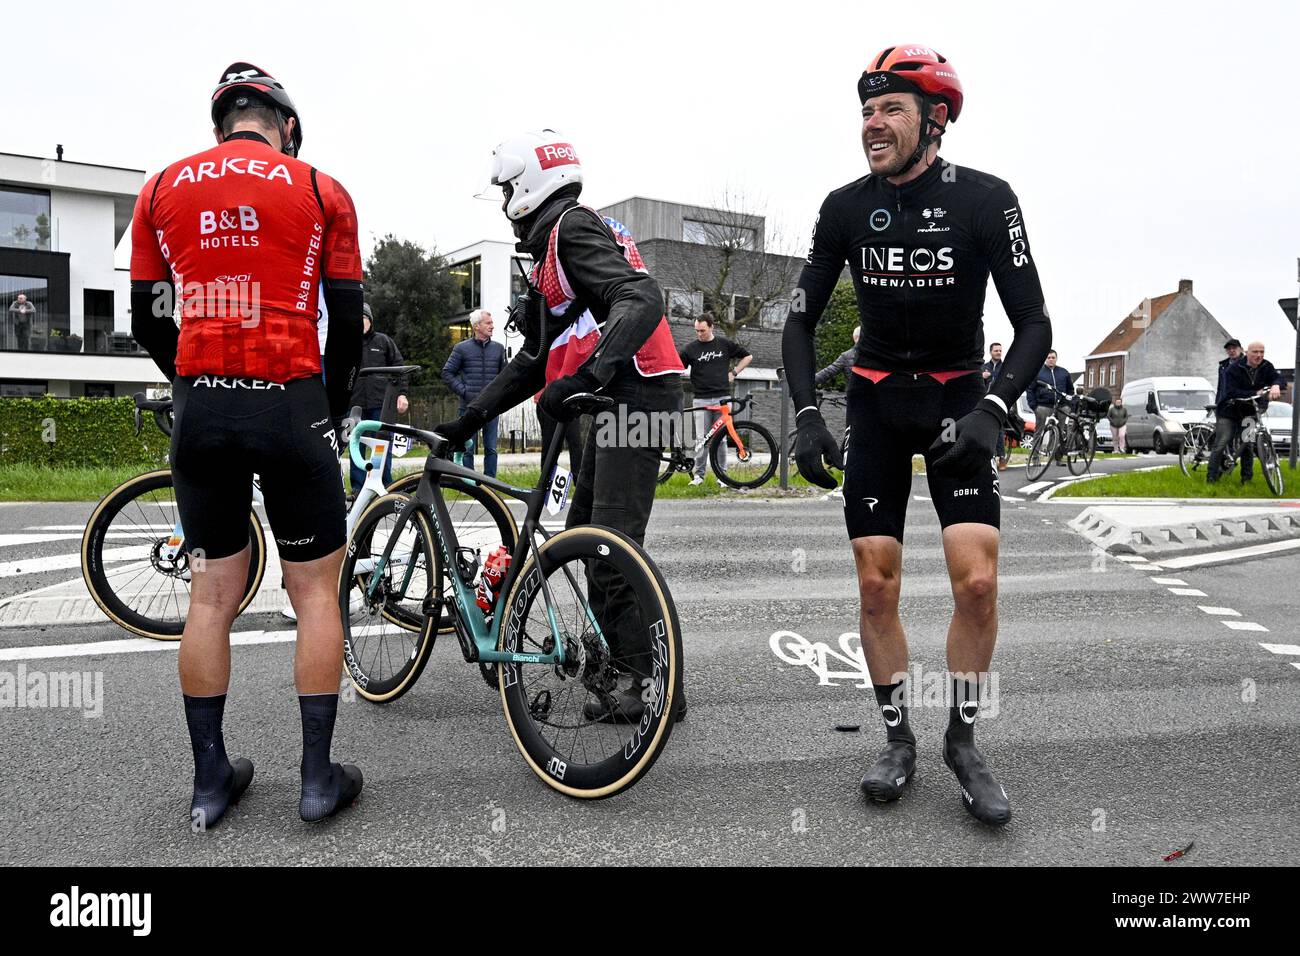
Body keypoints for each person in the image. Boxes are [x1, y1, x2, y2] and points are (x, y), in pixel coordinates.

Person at [781, 45, 1051, 827]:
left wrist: (994, 409)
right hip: (873, 401)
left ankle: (961, 742)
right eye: (866, 110)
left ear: (936, 120)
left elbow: (1033, 322)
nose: (873, 123)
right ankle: (896, 739)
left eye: (891, 108)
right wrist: (805, 415)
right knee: (876, 582)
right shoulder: (842, 207)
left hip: (959, 402)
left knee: (977, 580)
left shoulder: (986, 200)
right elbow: (798, 322)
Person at [129, 62, 365, 828]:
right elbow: (348, 319)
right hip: (292, 404)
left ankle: (209, 784)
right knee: (315, 594)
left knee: (209, 595)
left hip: (203, 410)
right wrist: (322, 408)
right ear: (285, 124)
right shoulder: (321, 187)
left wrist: (194, 379)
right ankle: (316, 781)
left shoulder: (162, 186)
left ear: (221, 123)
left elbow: (144, 317)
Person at [436, 130, 685, 723]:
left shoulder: (571, 228)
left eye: (505, 191)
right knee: (585, 535)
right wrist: (471, 418)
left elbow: (642, 298)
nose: (502, 203)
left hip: (637, 396)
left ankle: (654, 686)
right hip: (612, 397)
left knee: (612, 546)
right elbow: (532, 361)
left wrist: (590, 375)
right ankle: (627, 667)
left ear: (529, 184)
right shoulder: (555, 245)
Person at [678, 314, 752, 485]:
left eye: (702, 330)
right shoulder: (691, 348)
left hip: (722, 399)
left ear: (711, 327)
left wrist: (734, 373)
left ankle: (722, 476)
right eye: (696, 331)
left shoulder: (724, 344)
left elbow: (748, 356)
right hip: (700, 399)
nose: (699, 334)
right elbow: (678, 367)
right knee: (701, 439)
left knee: (721, 439)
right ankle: (699, 476)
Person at [348, 302, 409, 492]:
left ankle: (384, 483)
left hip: (381, 404)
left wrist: (402, 394)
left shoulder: (384, 342)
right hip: (355, 404)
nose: (361, 322)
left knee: (381, 444)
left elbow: (400, 369)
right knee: (356, 445)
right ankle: (359, 488)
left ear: (370, 321)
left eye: (364, 318)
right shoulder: (346, 343)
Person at [441, 309, 507, 476]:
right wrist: (464, 392)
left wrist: (499, 398)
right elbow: (447, 373)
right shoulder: (461, 348)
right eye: (488, 323)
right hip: (469, 407)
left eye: (492, 323)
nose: (492, 326)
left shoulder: (499, 349)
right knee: (468, 447)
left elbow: (505, 377)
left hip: (491, 408)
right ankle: (468, 482)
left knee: (491, 448)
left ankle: (489, 484)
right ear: (477, 326)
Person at [1207, 341, 1283, 484]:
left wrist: (1276, 385)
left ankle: (1246, 479)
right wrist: (1256, 392)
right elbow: (1230, 391)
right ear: (1247, 352)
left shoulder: (1266, 366)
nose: (1259, 355)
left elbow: (1278, 377)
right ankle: (1211, 477)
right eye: (1255, 352)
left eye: (1262, 352)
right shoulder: (1233, 369)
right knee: (1222, 442)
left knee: (1247, 444)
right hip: (1229, 411)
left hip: (1249, 412)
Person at [1027, 350, 1073, 433]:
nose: (1051, 359)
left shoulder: (1064, 372)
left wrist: (1068, 405)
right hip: (1043, 406)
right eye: (1048, 358)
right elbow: (1030, 389)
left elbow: (1070, 390)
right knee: (1039, 432)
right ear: (1045, 359)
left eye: (1053, 357)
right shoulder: (1038, 372)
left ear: (1056, 358)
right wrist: (1034, 407)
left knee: (1059, 432)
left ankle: (1056, 445)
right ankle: (1037, 446)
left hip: (1061, 407)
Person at [982, 343, 1006, 468]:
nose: (998, 352)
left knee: (999, 429)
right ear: (990, 352)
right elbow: (976, 382)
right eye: (996, 350)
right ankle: (986, 456)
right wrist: (982, 377)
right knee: (984, 428)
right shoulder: (984, 367)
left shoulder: (1006, 367)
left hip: (999, 400)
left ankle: (1002, 457)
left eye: (1000, 350)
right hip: (984, 401)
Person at [1215, 338, 1243, 406]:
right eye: (1229, 349)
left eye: (1234, 348)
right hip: (1226, 403)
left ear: (1241, 349)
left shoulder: (1248, 363)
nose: (1231, 350)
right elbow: (1220, 388)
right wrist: (1217, 403)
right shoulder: (1223, 366)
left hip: (1243, 403)